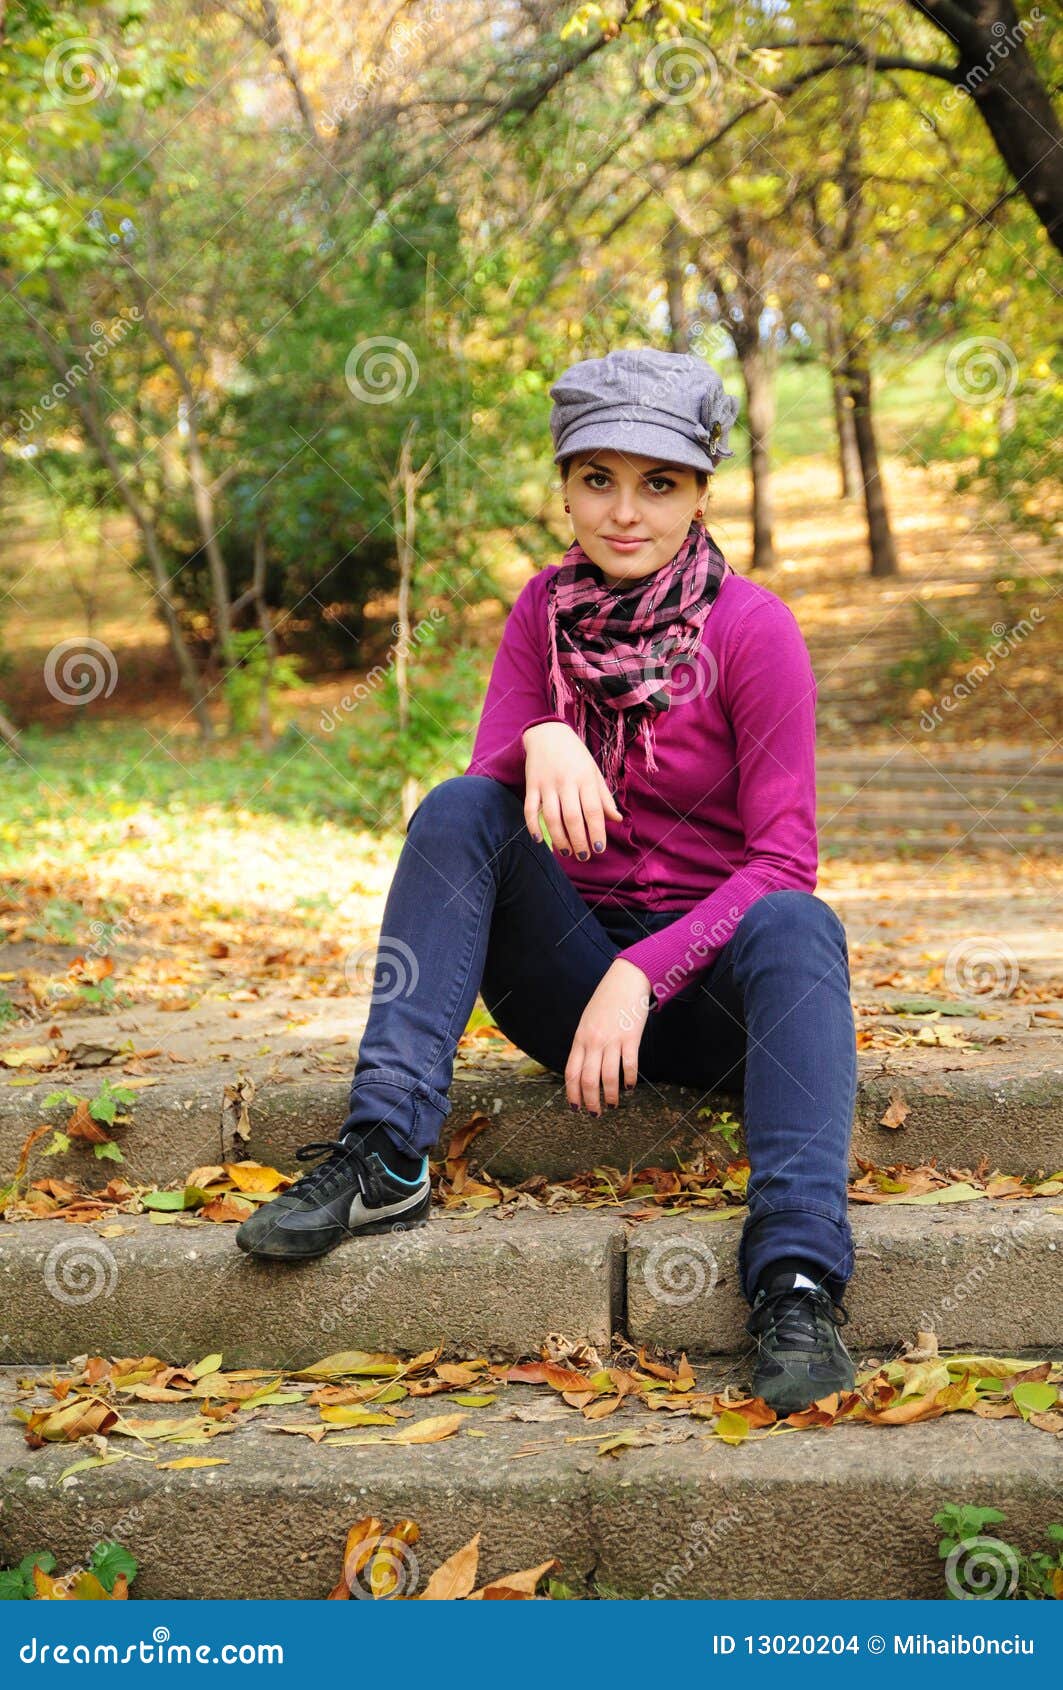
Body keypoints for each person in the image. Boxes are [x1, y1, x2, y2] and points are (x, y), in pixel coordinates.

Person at [236, 347, 858, 1413]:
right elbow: (475, 825)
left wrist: (643, 972)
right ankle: (386, 1150)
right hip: (560, 989)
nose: (625, 512)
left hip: (713, 1001)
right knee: (457, 801)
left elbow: (779, 859)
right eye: (597, 479)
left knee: (802, 921)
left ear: (701, 492)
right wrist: (537, 735)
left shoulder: (755, 631)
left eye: (658, 482)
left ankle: (795, 1277)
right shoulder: (540, 611)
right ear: (563, 487)